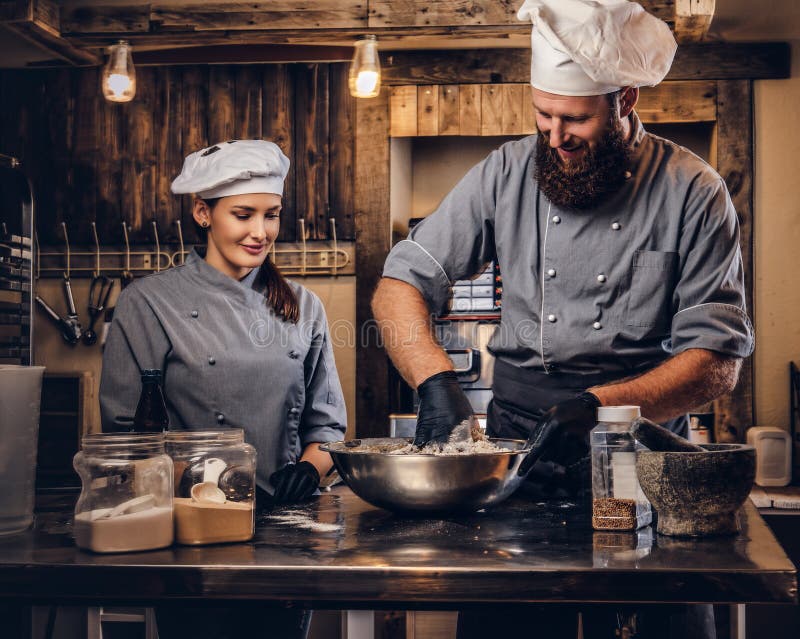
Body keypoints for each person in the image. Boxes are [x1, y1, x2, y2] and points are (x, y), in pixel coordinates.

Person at [371, 1, 753, 637]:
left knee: (658, 622)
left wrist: (601, 407)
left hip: (640, 450)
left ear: (625, 98)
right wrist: (434, 380)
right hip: (518, 454)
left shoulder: (694, 189)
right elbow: (398, 284)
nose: (554, 137)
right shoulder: (507, 171)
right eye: (542, 115)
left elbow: (715, 362)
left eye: (573, 119)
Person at [100, 139, 346, 638]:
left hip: (285, 530)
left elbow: (328, 426)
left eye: (272, 215)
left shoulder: (303, 306)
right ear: (202, 212)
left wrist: (308, 470)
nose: (261, 232)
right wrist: (207, 482)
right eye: (243, 214)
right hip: (194, 533)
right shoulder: (148, 303)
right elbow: (129, 434)